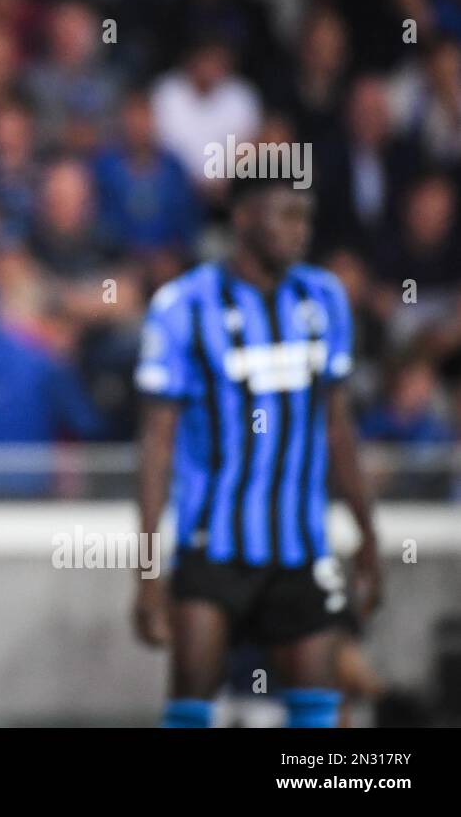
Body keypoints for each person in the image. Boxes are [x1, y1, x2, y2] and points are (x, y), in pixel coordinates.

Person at [131, 173, 382, 727]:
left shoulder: (323, 299)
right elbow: (157, 448)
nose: (301, 231)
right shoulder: (184, 306)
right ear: (243, 218)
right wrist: (148, 571)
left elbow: (339, 429)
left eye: (306, 217)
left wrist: (369, 537)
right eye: (286, 216)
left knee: (320, 711)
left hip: (301, 545)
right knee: (191, 705)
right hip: (211, 545)